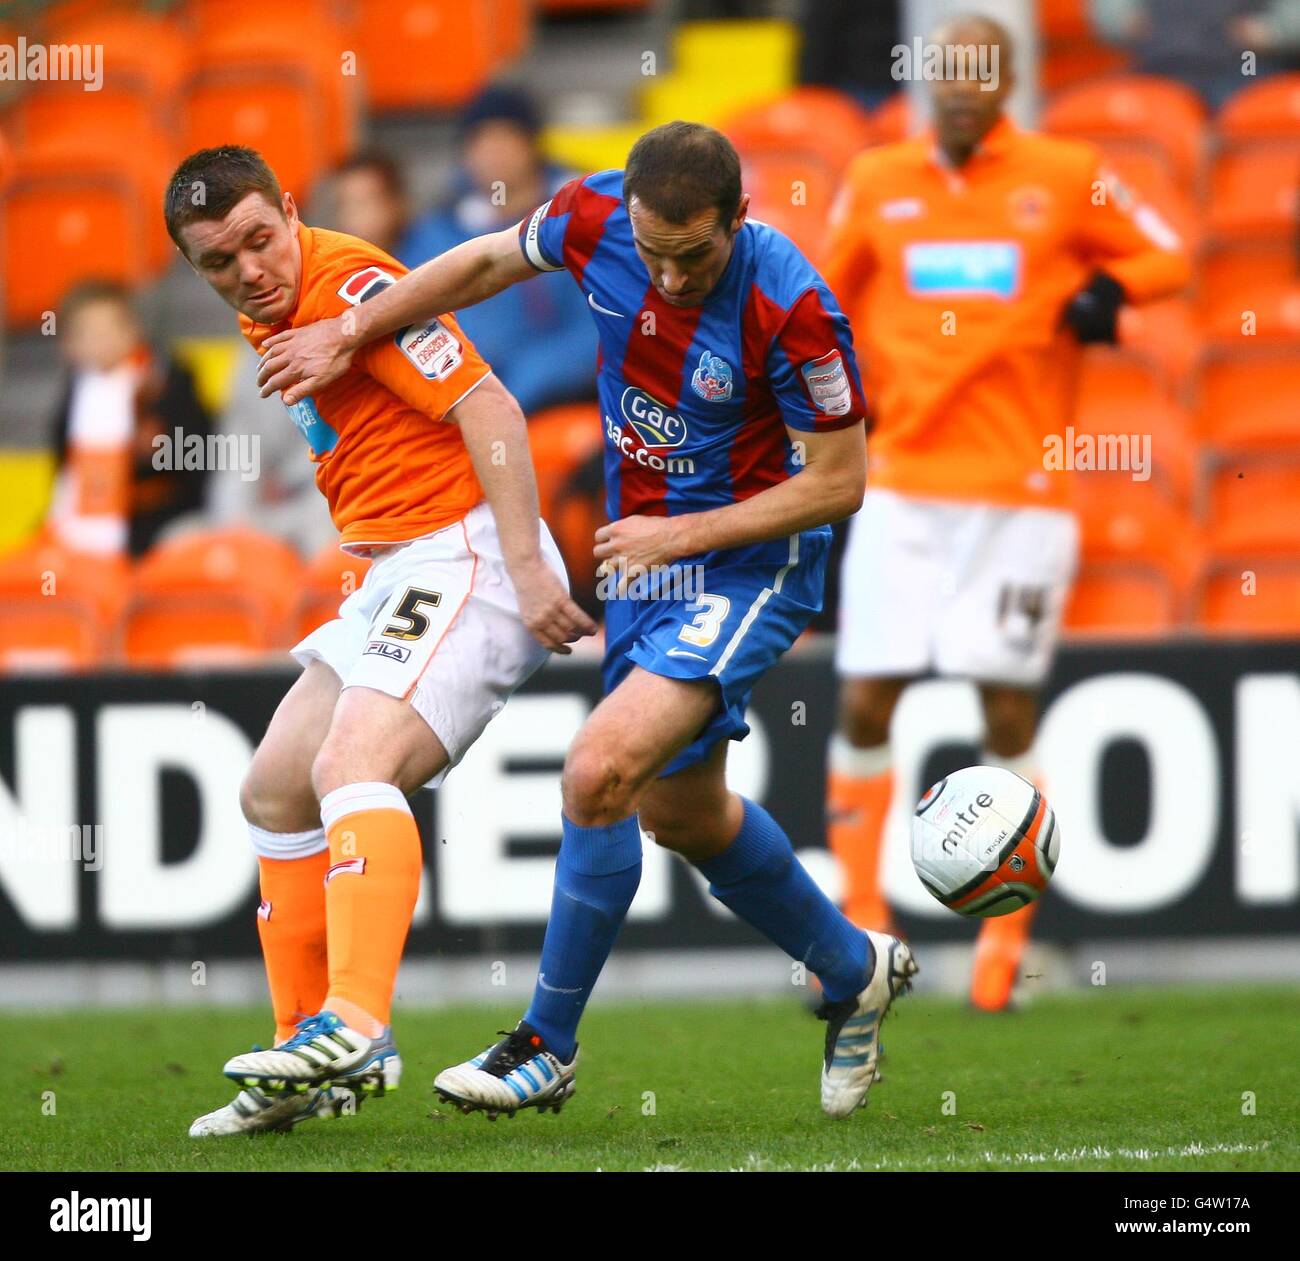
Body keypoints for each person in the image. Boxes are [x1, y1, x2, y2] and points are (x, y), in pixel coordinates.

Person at [256, 121, 918, 1122]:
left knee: (596, 769)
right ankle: (849, 965)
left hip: (745, 566)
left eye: (691, 256)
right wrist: (351, 330)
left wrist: (683, 535)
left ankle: (544, 1043)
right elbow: (481, 261)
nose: (668, 276)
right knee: (680, 813)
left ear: (737, 222)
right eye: (651, 253)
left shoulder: (795, 309)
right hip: (647, 555)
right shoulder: (594, 210)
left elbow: (840, 483)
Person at [163, 144, 594, 1137]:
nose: (248, 272)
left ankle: (356, 1022)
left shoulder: (348, 281)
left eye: (259, 241)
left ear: (291, 207)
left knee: (352, 763)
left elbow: (489, 404)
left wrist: (529, 567)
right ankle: (299, 1060)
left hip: (466, 553)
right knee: (274, 783)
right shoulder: (267, 300)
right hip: (396, 570)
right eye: (219, 263)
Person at [819, 14, 1191, 1012]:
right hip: (902, 481)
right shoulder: (878, 180)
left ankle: (1002, 951)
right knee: (864, 697)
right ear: (928, 76)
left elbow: (1169, 255)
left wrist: (1105, 289)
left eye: (983, 72)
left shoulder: (1067, 173)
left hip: (1022, 489)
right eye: (949, 69)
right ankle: (860, 933)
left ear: (1008, 79)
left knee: (1005, 704)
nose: (963, 87)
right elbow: (824, 301)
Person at [398, 85, 598, 415]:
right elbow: (413, 319)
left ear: (532, 145)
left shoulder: (583, 217)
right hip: (465, 402)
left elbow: (598, 328)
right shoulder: (436, 231)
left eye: (505, 139)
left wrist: (518, 387)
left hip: (568, 401)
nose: (493, 153)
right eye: (481, 142)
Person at [47, 279, 212, 558]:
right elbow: (63, 461)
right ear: (69, 344)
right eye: (90, 333)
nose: (103, 341)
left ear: (133, 328)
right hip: (91, 518)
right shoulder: (75, 392)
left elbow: (200, 458)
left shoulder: (170, 379)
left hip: (165, 518)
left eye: (110, 328)